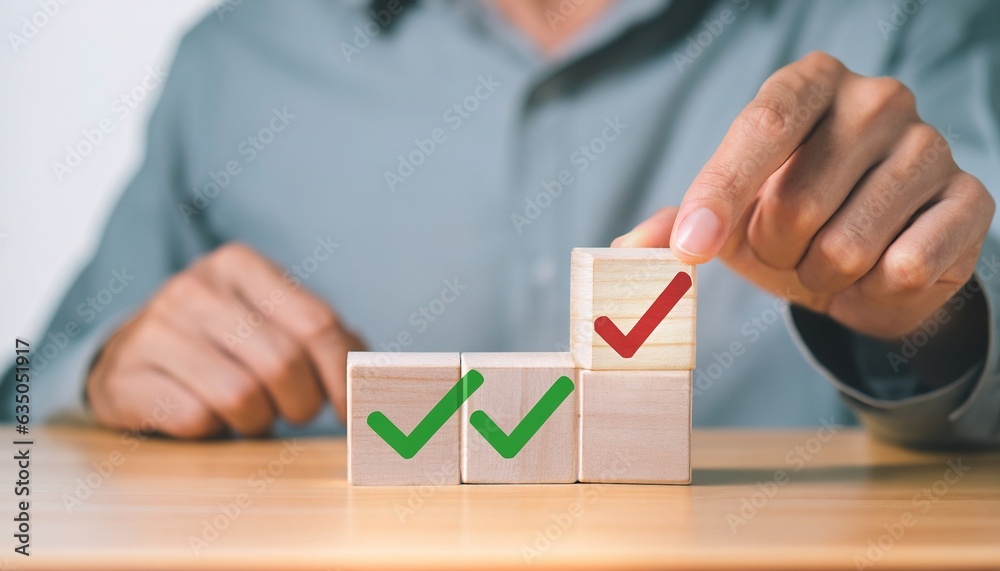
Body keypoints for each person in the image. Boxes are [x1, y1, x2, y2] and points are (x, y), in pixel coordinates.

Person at [4, 0, 999, 447]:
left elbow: (974, 343)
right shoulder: (235, 57)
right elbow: (23, 407)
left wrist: (915, 318)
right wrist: (99, 371)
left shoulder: (909, 18)